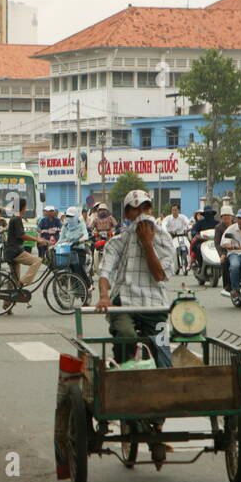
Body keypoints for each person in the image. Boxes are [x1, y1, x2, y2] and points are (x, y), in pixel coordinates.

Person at [96, 194, 174, 464]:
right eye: (135, 209)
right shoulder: (119, 240)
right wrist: (104, 296)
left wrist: (148, 243)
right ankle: (126, 398)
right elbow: (105, 271)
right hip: (123, 304)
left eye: (146, 208)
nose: (141, 213)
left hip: (156, 308)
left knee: (164, 357)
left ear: (152, 210)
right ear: (127, 214)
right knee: (127, 338)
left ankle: (157, 424)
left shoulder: (164, 239)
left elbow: (161, 275)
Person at [5, 212, 42, 297]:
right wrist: (37, 240)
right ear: (23, 208)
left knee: (14, 281)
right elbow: (22, 235)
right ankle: (23, 282)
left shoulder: (13, 218)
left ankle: (7, 306)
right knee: (37, 261)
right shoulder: (17, 218)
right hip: (15, 252)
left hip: (11, 252)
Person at [58, 206, 90, 281]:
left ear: (76, 216)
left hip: (79, 250)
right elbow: (60, 239)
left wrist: (79, 241)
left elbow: (86, 236)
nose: (69, 218)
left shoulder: (81, 224)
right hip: (67, 250)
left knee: (77, 267)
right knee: (60, 266)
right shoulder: (65, 226)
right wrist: (54, 246)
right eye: (67, 216)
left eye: (71, 216)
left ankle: (88, 284)